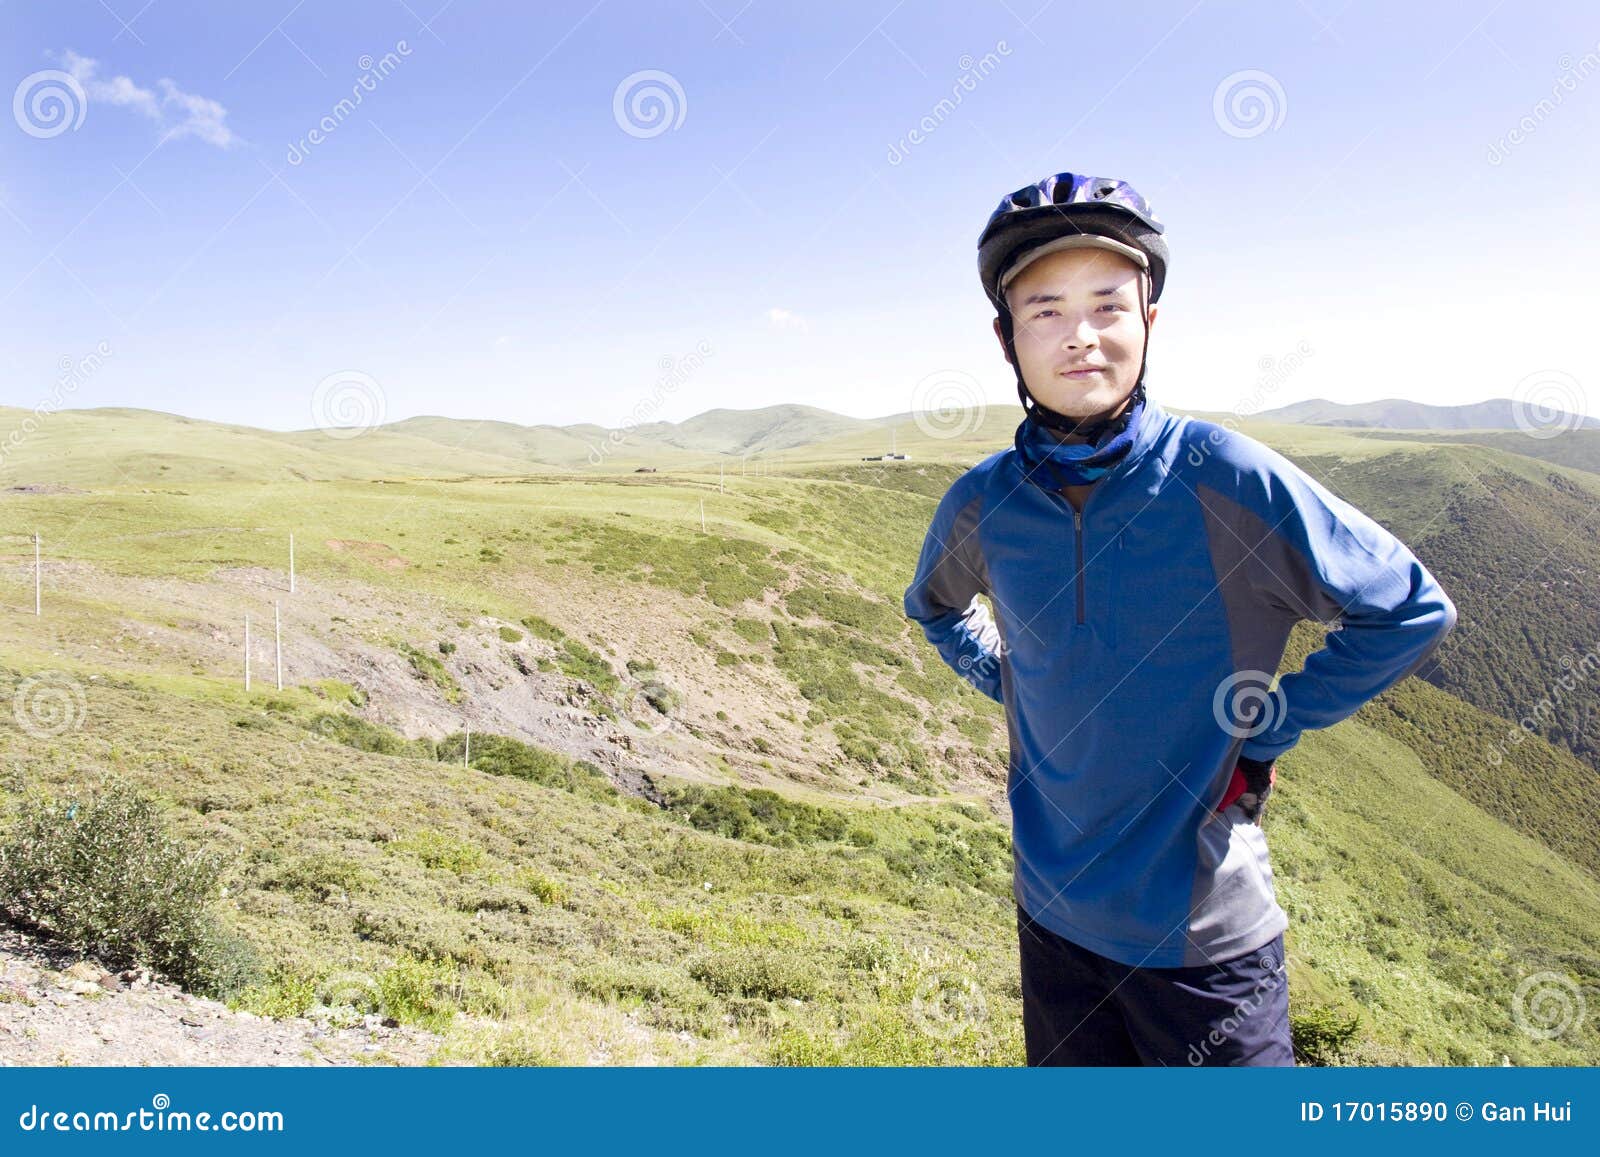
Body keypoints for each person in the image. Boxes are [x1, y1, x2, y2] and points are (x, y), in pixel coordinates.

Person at [903, 171, 1458, 1066]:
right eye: (1044, 310)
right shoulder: (984, 504)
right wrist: (1012, 681)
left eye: (1108, 305)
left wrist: (1272, 725)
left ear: (1149, 320)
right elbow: (931, 608)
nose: (1080, 335)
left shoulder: (1223, 476)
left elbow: (1409, 609)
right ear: (1006, 338)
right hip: (1051, 924)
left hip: (1205, 949)